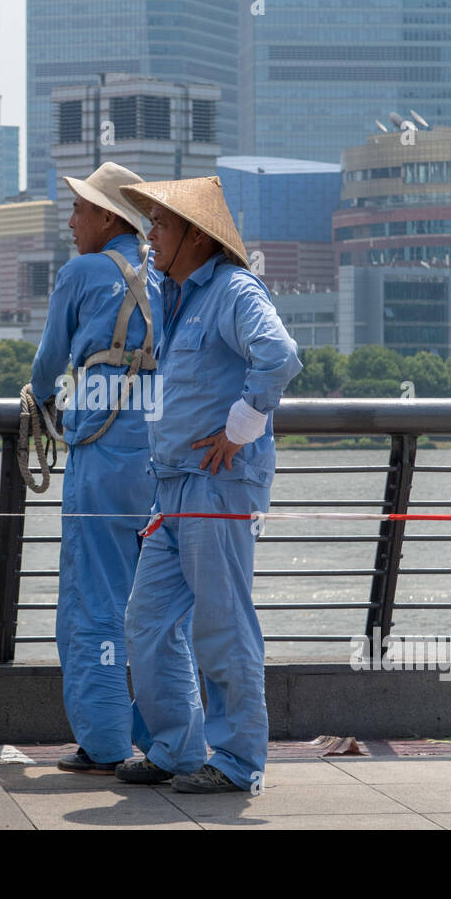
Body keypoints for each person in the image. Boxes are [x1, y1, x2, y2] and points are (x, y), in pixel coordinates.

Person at [113, 176, 302, 793]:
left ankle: (237, 762)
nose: (150, 235)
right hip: (169, 490)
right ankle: (176, 747)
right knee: (146, 623)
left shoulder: (232, 290)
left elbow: (278, 353)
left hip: (218, 488)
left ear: (196, 234)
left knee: (221, 626)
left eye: (161, 225)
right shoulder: (174, 297)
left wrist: (241, 426)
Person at [29, 162, 163, 774]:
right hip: (160, 457)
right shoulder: (164, 275)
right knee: (155, 605)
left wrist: (41, 395)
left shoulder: (81, 272)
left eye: (79, 208)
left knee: (94, 603)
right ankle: (162, 737)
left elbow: (46, 367)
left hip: (101, 453)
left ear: (108, 217)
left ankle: (106, 743)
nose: (71, 219)